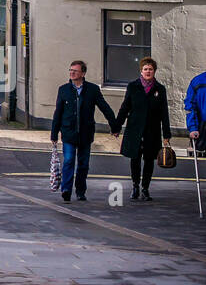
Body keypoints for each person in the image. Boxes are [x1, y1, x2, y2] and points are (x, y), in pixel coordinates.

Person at [49, 59, 118, 202]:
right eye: (70, 70)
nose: (72, 73)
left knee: (83, 164)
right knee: (68, 161)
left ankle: (80, 191)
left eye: (75, 71)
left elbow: (104, 108)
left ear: (83, 73)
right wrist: (54, 133)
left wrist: (114, 126)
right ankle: (66, 189)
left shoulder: (92, 90)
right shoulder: (63, 90)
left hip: (86, 134)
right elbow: (58, 112)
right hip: (68, 132)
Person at [114, 57, 172, 201]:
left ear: (154, 71)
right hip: (135, 129)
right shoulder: (133, 86)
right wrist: (116, 126)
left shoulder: (160, 89)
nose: (148, 71)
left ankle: (145, 188)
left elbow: (164, 112)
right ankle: (135, 186)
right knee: (135, 159)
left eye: (150, 69)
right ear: (141, 70)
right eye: (145, 69)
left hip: (152, 131)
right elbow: (125, 107)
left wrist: (167, 133)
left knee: (149, 160)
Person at [185, 70, 206, 157]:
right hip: (203, 129)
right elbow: (190, 107)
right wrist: (193, 127)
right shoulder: (198, 81)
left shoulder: (197, 81)